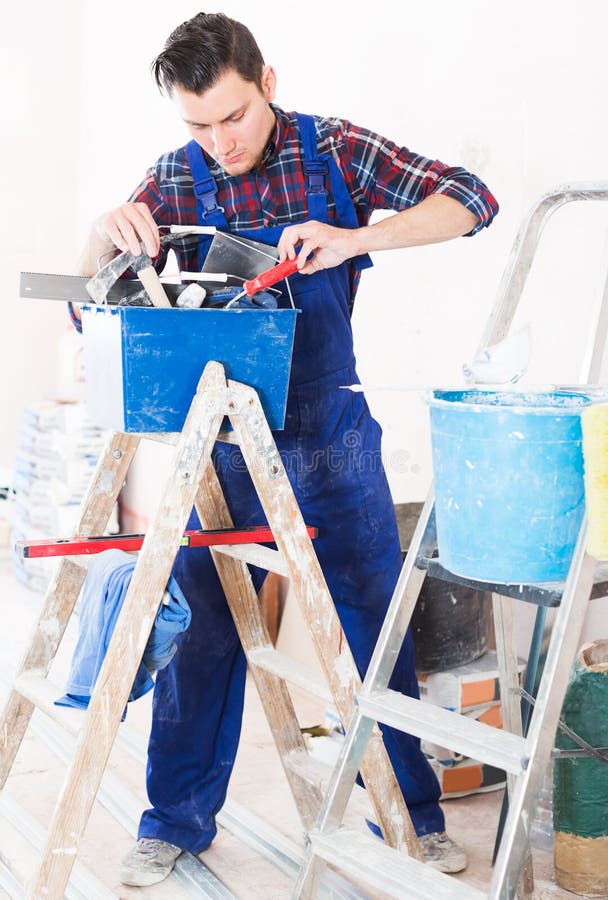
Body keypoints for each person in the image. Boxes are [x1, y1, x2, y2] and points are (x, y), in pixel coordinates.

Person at [72, 11, 498, 888]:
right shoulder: (175, 179)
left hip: (330, 435)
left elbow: (471, 199)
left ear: (267, 82)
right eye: (198, 124)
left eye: (233, 115)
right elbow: (93, 304)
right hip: (218, 447)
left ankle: (408, 819)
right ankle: (175, 822)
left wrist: (358, 237)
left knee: (373, 630)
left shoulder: (331, 149)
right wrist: (101, 234)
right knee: (199, 640)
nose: (219, 141)